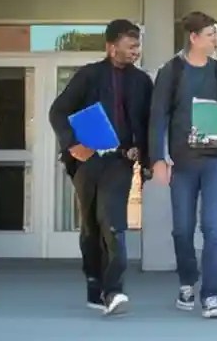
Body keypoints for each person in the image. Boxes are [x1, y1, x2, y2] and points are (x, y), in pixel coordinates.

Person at [47, 19, 153, 316]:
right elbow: (58, 110)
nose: (136, 51)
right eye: (130, 45)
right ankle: (94, 283)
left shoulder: (142, 81)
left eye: (138, 46)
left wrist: (144, 155)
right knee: (91, 227)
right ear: (111, 46)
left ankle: (114, 290)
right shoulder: (88, 76)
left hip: (120, 162)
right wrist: (72, 145)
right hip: (89, 161)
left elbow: (148, 122)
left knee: (113, 223)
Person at [149, 11, 217, 319]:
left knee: (213, 230)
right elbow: (158, 116)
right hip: (182, 165)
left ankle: (211, 295)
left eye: (216, 34)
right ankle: (187, 281)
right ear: (194, 37)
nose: (215, 39)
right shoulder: (171, 72)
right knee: (182, 230)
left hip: (212, 162)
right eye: (210, 34)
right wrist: (158, 159)